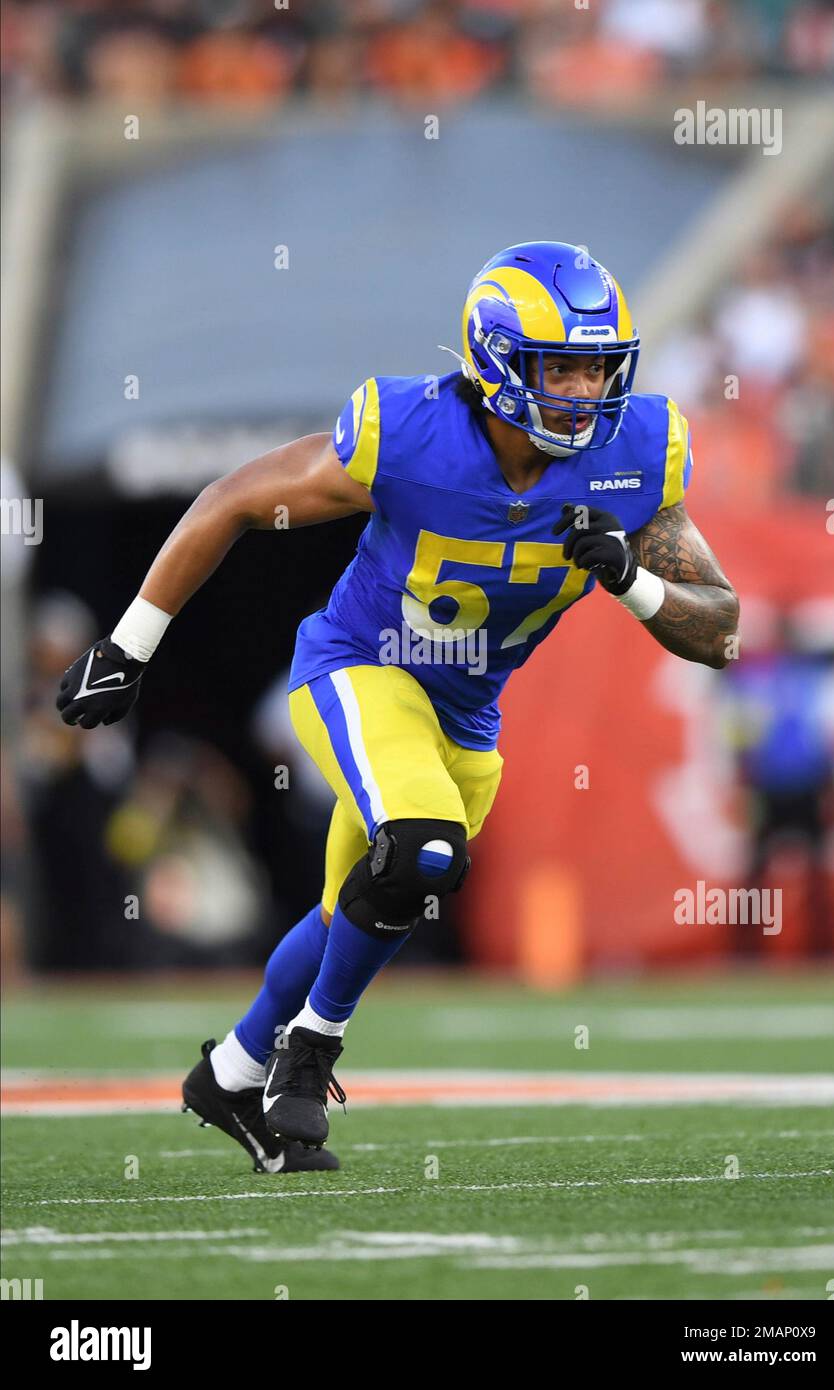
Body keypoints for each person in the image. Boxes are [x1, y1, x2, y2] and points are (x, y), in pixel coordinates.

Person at [57, 241, 740, 1173]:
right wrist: (128, 646)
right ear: (497, 361)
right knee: (421, 848)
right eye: (561, 368)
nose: (584, 391)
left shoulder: (634, 458)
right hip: (359, 666)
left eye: (598, 367)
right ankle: (309, 1053)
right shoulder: (410, 434)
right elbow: (232, 499)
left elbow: (722, 629)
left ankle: (228, 1072)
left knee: (359, 904)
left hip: (465, 719)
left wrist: (632, 582)